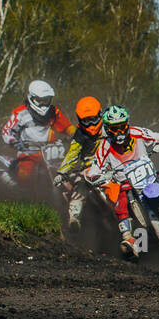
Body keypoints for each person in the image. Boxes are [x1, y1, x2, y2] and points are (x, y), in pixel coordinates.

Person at [81, 106, 159, 257]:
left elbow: (158, 136)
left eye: (122, 126)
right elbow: (95, 168)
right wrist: (96, 177)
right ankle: (128, 237)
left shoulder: (137, 133)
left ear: (127, 124)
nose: (119, 132)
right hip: (126, 184)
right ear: (107, 129)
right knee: (120, 201)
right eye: (114, 129)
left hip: (148, 177)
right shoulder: (104, 146)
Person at [0, 80, 74, 187]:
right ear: (31, 98)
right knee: (26, 177)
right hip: (29, 151)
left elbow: (67, 127)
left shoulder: (53, 111)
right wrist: (14, 142)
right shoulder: (20, 113)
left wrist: (76, 135)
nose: (43, 104)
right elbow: (7, 131)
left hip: (52, 151)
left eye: (46, 100)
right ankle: (22, 194)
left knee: (67, 172)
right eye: (40, 100)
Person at [55, 95, 105, 230]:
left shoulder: (110, 124)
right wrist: (61, 172)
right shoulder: (80, 135)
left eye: (93, 119)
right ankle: (74, 218)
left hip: (113, 163)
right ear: (80, 120)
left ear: (100, 114)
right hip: (90, 167)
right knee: (80, 185)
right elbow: (72, 154)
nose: (91, 124)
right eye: (86, 121)